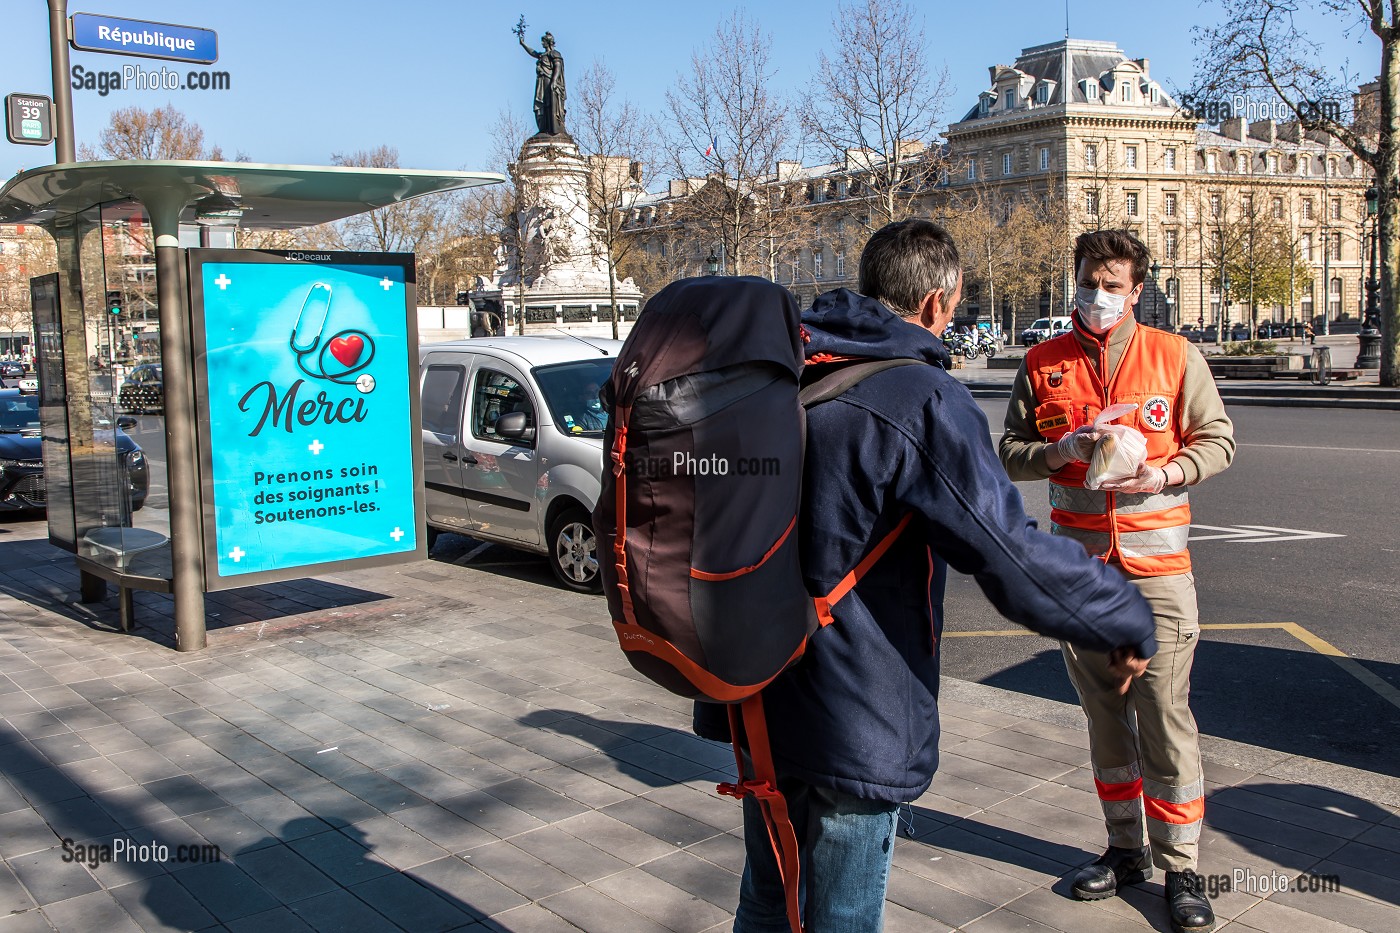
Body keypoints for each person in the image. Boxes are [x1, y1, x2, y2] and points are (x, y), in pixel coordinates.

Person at [695, 219, 1159, 933]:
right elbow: (1008, 554)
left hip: (754, 688)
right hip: (854, 708)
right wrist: (1120, 614)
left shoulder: (784, 371)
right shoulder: (921, 397)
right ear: (943, 303)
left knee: (766, 896)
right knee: (842, 914)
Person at [999, 229, 1235, 933]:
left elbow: (1218, 439)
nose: (1097, 296)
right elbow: (1008, 452)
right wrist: (1058, 449)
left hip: (1157, 572)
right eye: (1088, 282)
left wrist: (1165, 472)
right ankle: (1125, 848)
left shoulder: (1174, 356)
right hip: (1080, 574)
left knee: (1164, 716)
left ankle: (1183, 865)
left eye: (1112, 285)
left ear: (1136, 291)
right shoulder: (1044, 362)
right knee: (1104, 716)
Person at [518, 31, 567, 136]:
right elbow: (533, 52)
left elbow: (558, 68)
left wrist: (554, 81)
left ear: (548, 42)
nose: (542, 43)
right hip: (541, 82)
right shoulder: (542, 55)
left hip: (549, 81)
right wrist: (523, 44)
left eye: (543, 41)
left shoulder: (554, 54)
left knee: (550, 104)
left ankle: (553, 128)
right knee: (542, 104)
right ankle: (544, 128)